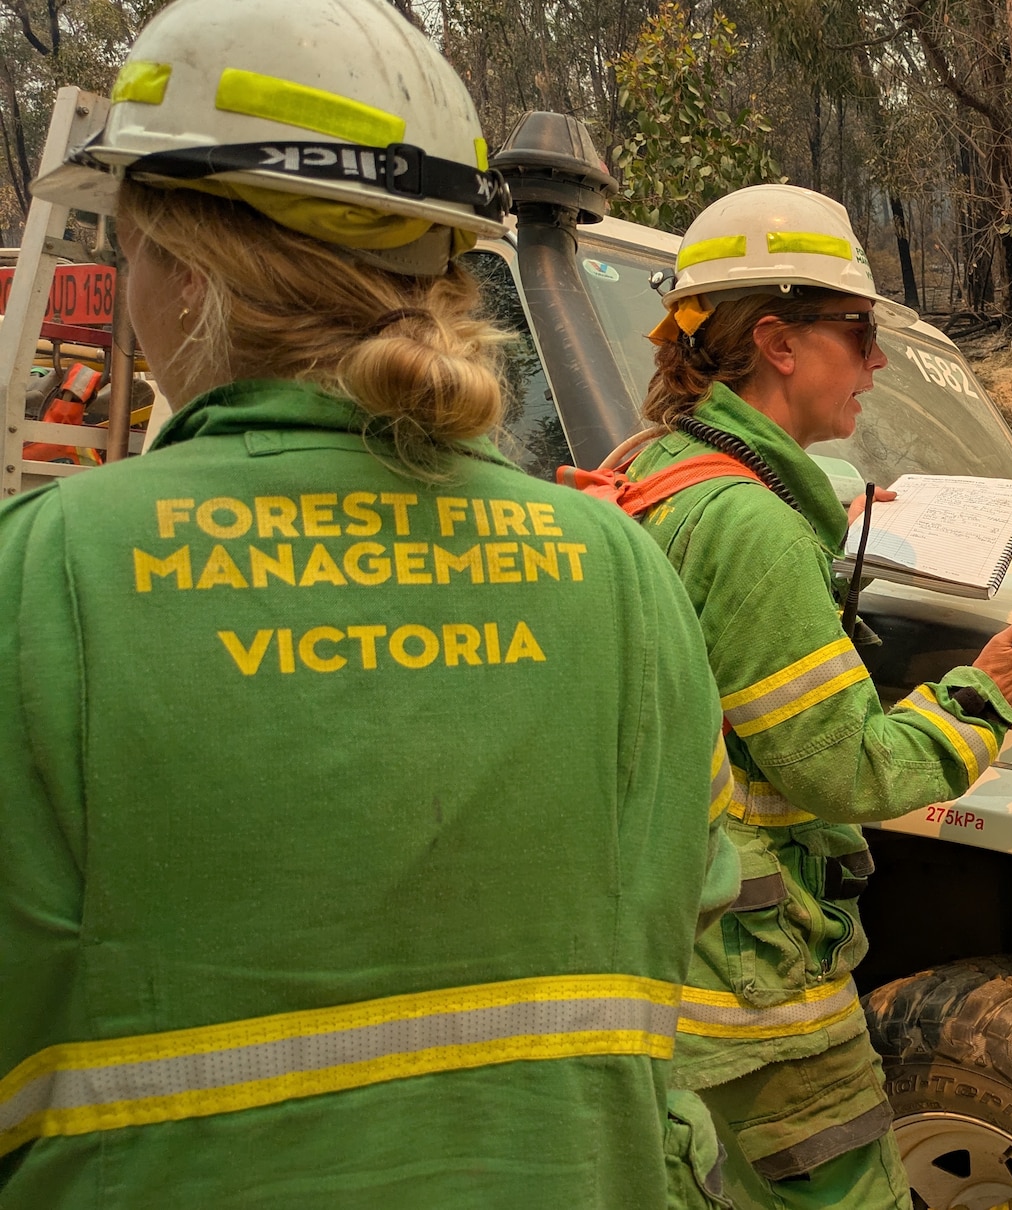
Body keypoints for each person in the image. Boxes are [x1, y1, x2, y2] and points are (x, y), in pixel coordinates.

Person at [0, 1, 736, 1206]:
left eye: (127, 246)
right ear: (446, 265)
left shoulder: (47, 580)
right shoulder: (619, 567)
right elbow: (685, 905)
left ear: (183, 270)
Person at [629, 184, 1012, 1210]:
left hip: (670, 965)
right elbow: (843, 764)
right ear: (776, 340)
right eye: (859, 332)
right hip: (756, 990)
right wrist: (983, 697)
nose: (874, 362)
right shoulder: (752, 526)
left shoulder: (660, 474)